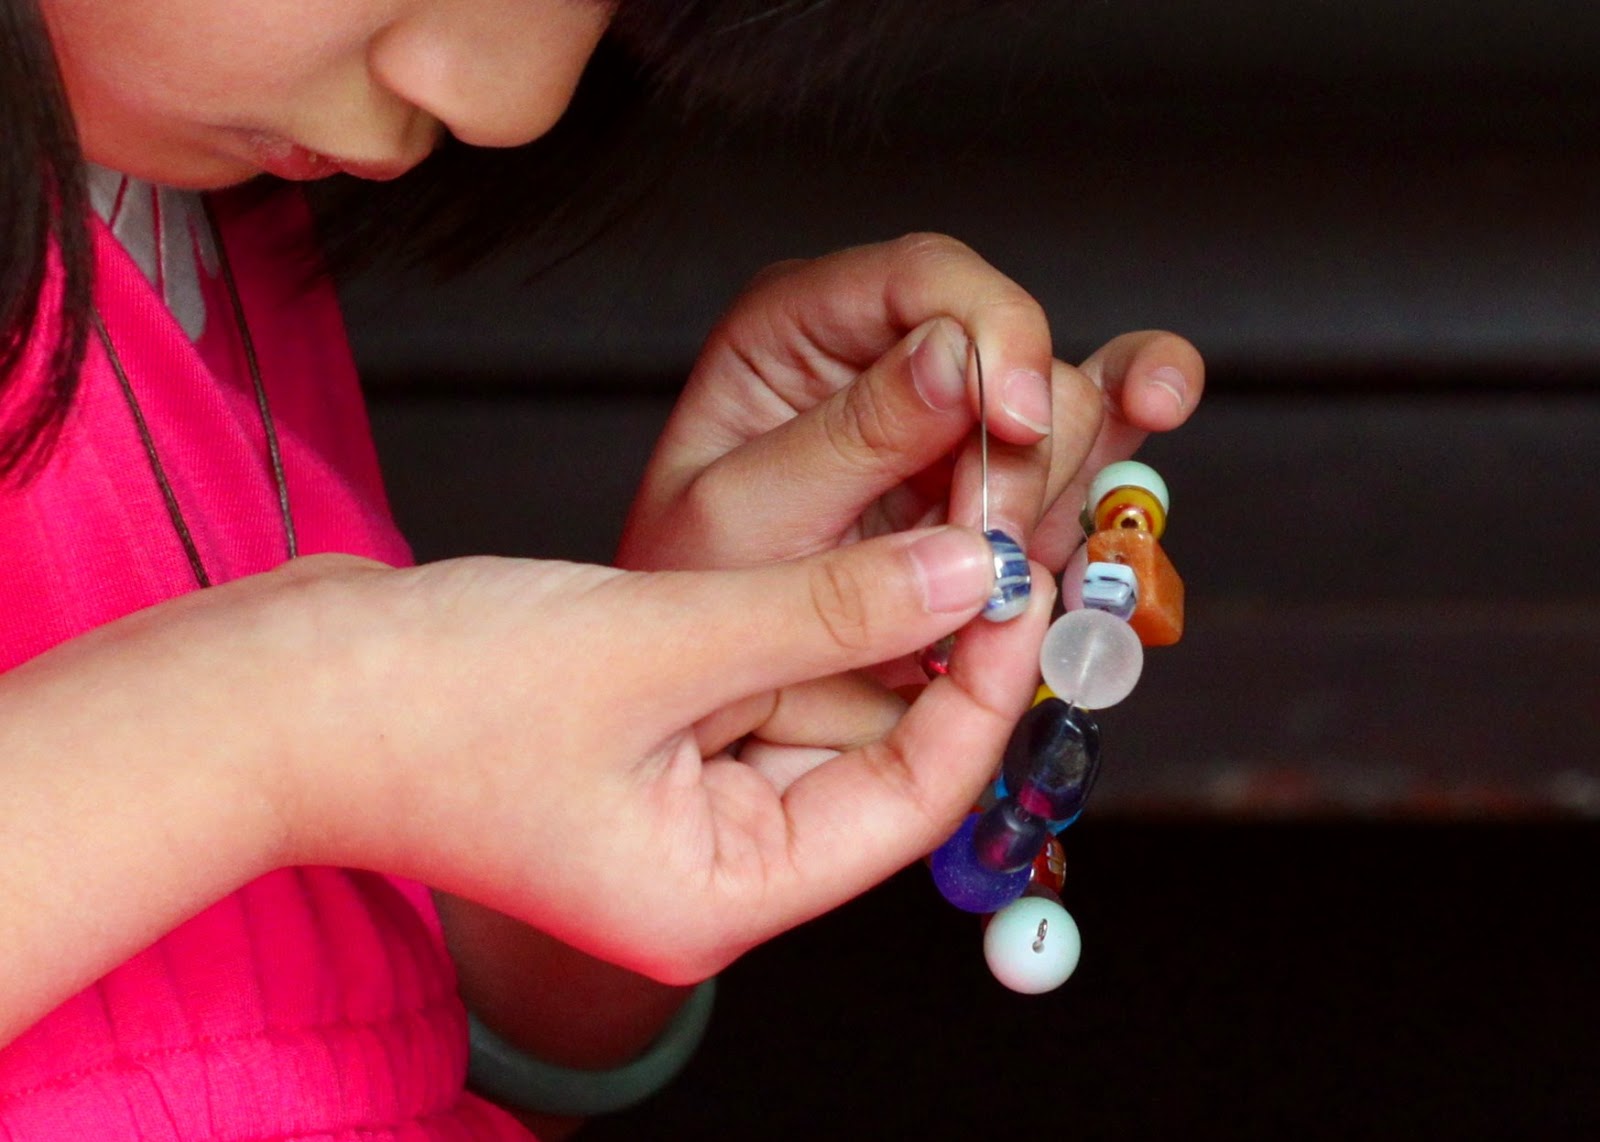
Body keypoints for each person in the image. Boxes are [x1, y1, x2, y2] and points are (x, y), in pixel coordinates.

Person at [0, 0, 1205, 1137]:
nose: (511, 99)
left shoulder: (206, 204)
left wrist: (681, 672)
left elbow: (351, 1040)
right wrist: (302, 704)